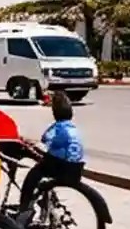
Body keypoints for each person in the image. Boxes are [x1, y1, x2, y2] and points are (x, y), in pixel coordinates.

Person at [16, 91, 85, 222]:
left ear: (55, 113)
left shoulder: (56, 128)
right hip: (77, 168)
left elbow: (44, 140)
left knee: (33, 176)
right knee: (46, 166)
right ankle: (47, 204)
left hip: (60, 166)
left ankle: (24, 209)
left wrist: (29, 144)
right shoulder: (74, 128)